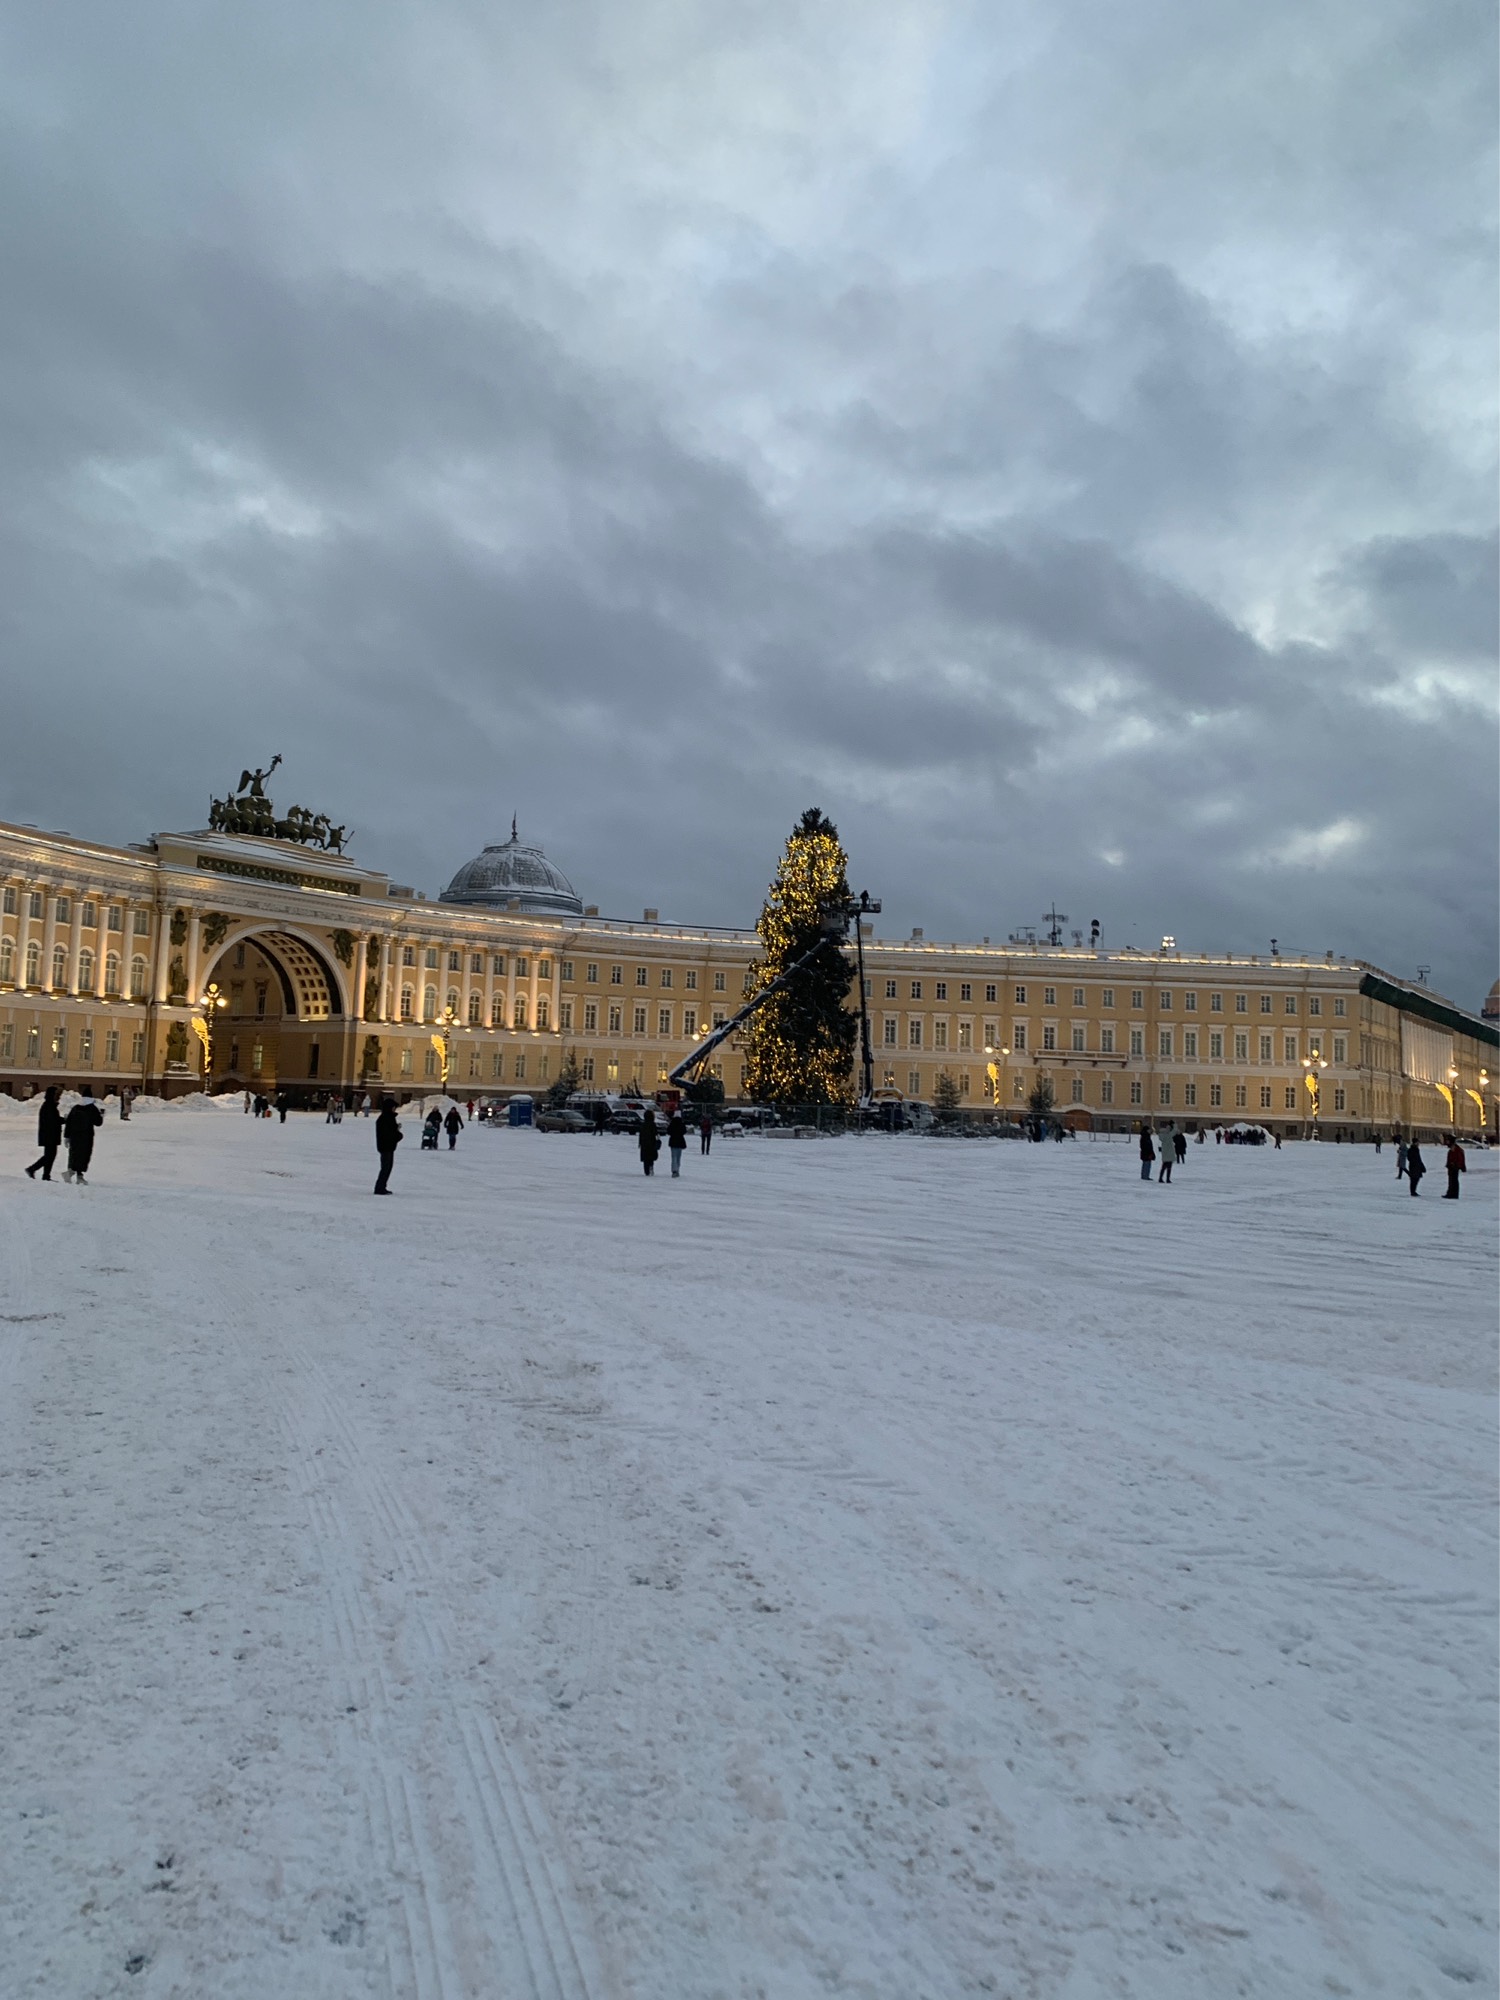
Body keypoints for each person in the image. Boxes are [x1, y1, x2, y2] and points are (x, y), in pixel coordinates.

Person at [62, 1087, 104, 1184]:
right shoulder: (92, 1108)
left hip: (74, 1136)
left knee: (74, 1155)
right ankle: (76, 1175)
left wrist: (66, 1136)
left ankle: (73, 1174)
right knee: (84, 1156)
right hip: (86, 1136)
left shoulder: (76, 1107)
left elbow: (69, 1122)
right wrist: (101, 1115)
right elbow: (98, 1123)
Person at [24, 1086, 62, 1181]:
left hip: (49, 1135)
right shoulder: (49, 1106)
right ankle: (34, 1170)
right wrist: (64, 1120)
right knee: (50, 1155)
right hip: (50, 1135)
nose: (59, 1097)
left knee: (49, 1155)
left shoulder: (49, 1105)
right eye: (57, 1095)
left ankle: (43, 1174)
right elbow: (53, 1121)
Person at [374, 1095, 402, 1194]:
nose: (395, 1109)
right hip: (386, 1146)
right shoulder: (385, 1118)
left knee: (387, 1168)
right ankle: (380, 1187)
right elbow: (388, 1134)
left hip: (388, 1146)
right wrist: (398, 1135)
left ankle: (382, 1186)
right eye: (394, 1107)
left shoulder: (388, 1118)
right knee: (386, 1168)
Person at [639, 1106, 660, 1177]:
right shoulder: (653, 1124)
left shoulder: (643, 1124)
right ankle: (651, 1168)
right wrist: (658, 1140)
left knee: (645, 1158)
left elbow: (641, 1134)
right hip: (651, 1143)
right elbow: (656, 1133)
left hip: (644, 1143)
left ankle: (646, 1171)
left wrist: (640, 1143)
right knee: (651, 1157)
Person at [667, 1107, 688, 1177]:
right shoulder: (681, 1123)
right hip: (680, 1142)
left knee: (673, 1157)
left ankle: (674, 1170)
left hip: (673, 1141)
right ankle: (677, 1169)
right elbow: (684, 1131)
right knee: (678, 1157)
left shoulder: (672, 1123)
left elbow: (668, 1131)